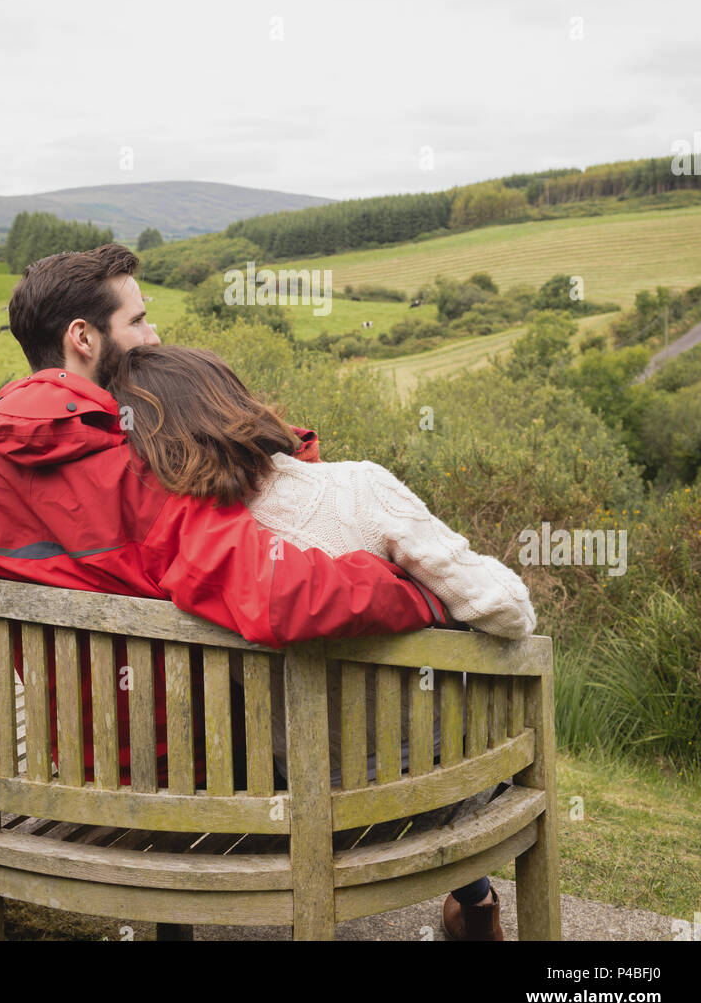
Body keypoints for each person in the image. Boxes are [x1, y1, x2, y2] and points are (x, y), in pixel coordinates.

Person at [0, 245, 446, 818]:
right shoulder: (159, 479)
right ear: (83, 338)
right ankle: (472, 896)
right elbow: (284, 596)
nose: (154, 337)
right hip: (210, 768)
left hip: (84, 764)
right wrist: (423, 592)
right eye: (138, 321)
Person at [109, 342, 538, 942]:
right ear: (240, 404)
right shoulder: (359, 486)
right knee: (443, 719)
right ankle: (478, 906)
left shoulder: (188, 553)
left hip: (298, 788)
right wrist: (435, 607)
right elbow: (506, 610)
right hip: (444, 788)